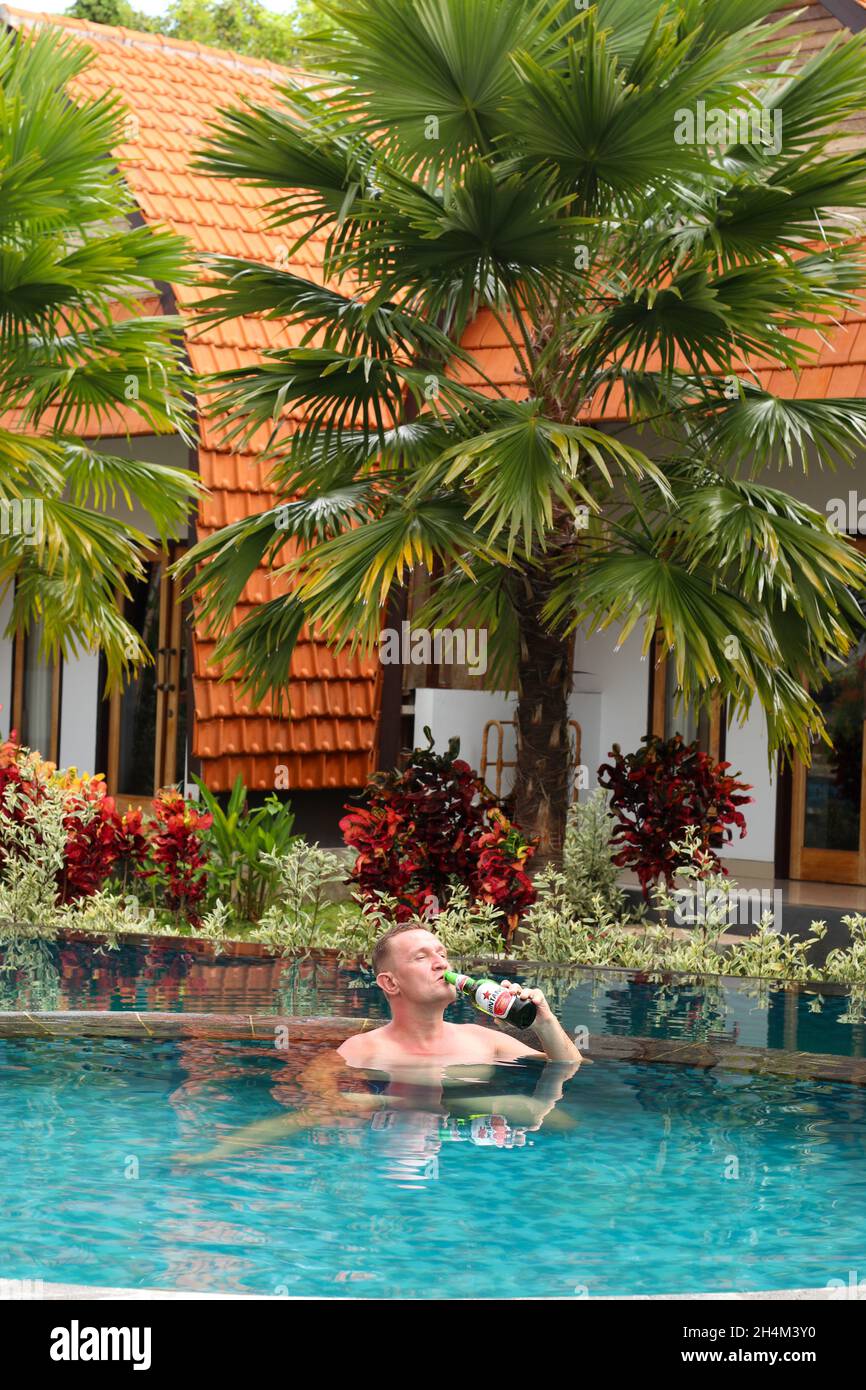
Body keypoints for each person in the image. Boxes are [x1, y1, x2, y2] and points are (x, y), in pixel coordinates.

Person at [337, 922, 582, 1069]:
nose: (441, 964)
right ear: (390, 983)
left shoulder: (483, 1040)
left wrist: (545, 1023)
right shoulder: (362, 1050)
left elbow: (568, 1068)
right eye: (422, 957)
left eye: (442, 955)